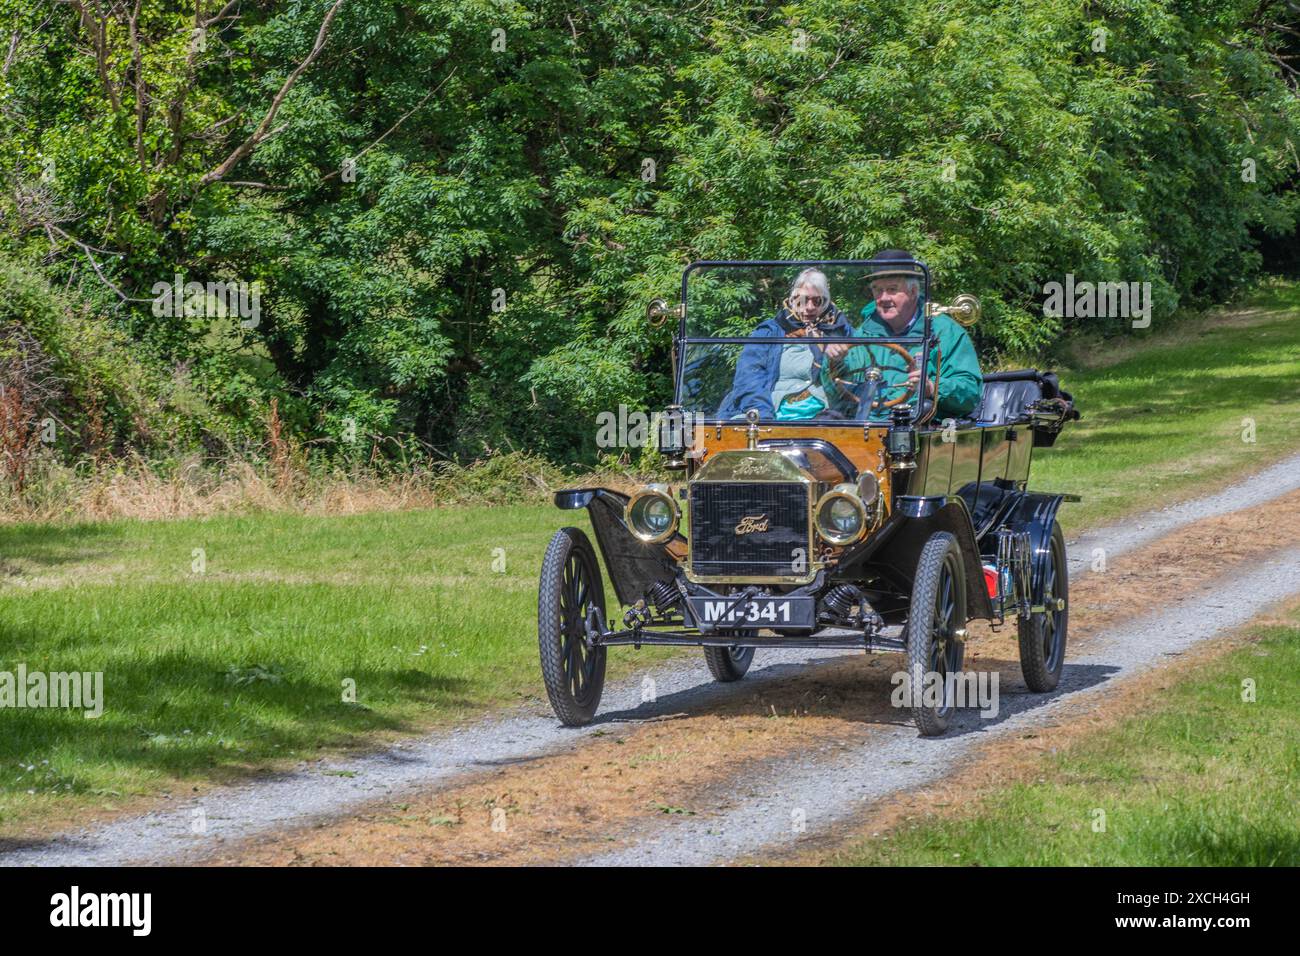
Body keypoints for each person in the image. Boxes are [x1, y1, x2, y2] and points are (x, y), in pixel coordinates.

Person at [826, 250, 982, 419]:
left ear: (913, 291)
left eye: (892, 289)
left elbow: (970, 393)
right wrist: (836, 360)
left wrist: (931, 387)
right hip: (867, 426)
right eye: (877, 290)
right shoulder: (865, 332)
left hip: (920, 426)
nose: (883, 298)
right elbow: (840, 385)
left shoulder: (944, 331)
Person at [716, 268, 855, 420]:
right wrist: (763, 416)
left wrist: (839, 359)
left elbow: (856, 372)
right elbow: (749, 379)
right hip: (772, 411)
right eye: (803, 300)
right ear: (792, 299)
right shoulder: (768, 332)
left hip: (822, 414)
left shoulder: (840, 331)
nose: (809, 307)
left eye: (817, 301)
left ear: (826, 303)